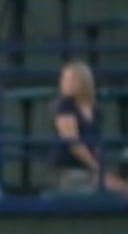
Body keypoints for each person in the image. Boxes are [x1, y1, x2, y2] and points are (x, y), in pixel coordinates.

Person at [51, 59, 128, 196]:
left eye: (71, 79)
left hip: (90, 170)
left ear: (83, 82)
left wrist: (101, 168)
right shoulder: (64, 106)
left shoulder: (95, 109)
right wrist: (97, 168)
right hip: (69, 171)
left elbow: (97, 143)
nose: (65, 83)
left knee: (120, 185)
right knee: (118, 188)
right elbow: (73, 143)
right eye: (64, 78)